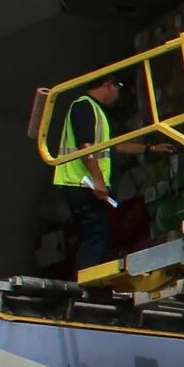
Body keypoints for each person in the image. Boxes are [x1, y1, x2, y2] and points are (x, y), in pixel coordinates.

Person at [51, 74, 125, 269]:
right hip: (81, 183)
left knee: (98, 233)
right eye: (118, 87)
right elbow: (86, 146)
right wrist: (98, 181)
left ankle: (84, 282)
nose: (118, 94)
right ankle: (84, 285)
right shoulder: (84, 106)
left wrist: (150, 148)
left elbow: (115, 147)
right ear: (108, 84)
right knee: (97, 233)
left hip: (83, 184)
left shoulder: (96, 111)